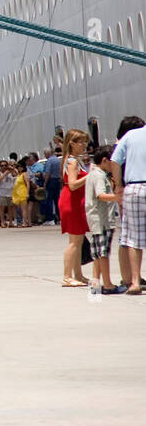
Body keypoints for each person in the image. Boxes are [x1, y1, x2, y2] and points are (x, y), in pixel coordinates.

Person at [111, 116, 146, 295]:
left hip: (134, 187)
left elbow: (114, 160)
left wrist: (118, 185)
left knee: (132, 238)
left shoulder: (129, 137)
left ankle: (133, 281)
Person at [85, 148, 123, 294]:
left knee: (96, 253)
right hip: (102, 219)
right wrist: (116, 197)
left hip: (95, 219)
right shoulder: (99, 176)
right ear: (105, 160)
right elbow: (100, 195)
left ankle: (95, 283)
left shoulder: (92, 174)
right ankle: (107, 284)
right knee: (103, 253)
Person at [58, 129, 91, 287]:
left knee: (78, 239)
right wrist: (89, 176)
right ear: (72, 143)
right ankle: (67, 276)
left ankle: (78, 274)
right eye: (81, 142)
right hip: (72, 200)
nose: (84, 145)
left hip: (75, 201)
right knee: (74, 241)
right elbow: (72, 184)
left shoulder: (70, 159)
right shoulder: (72, 161)